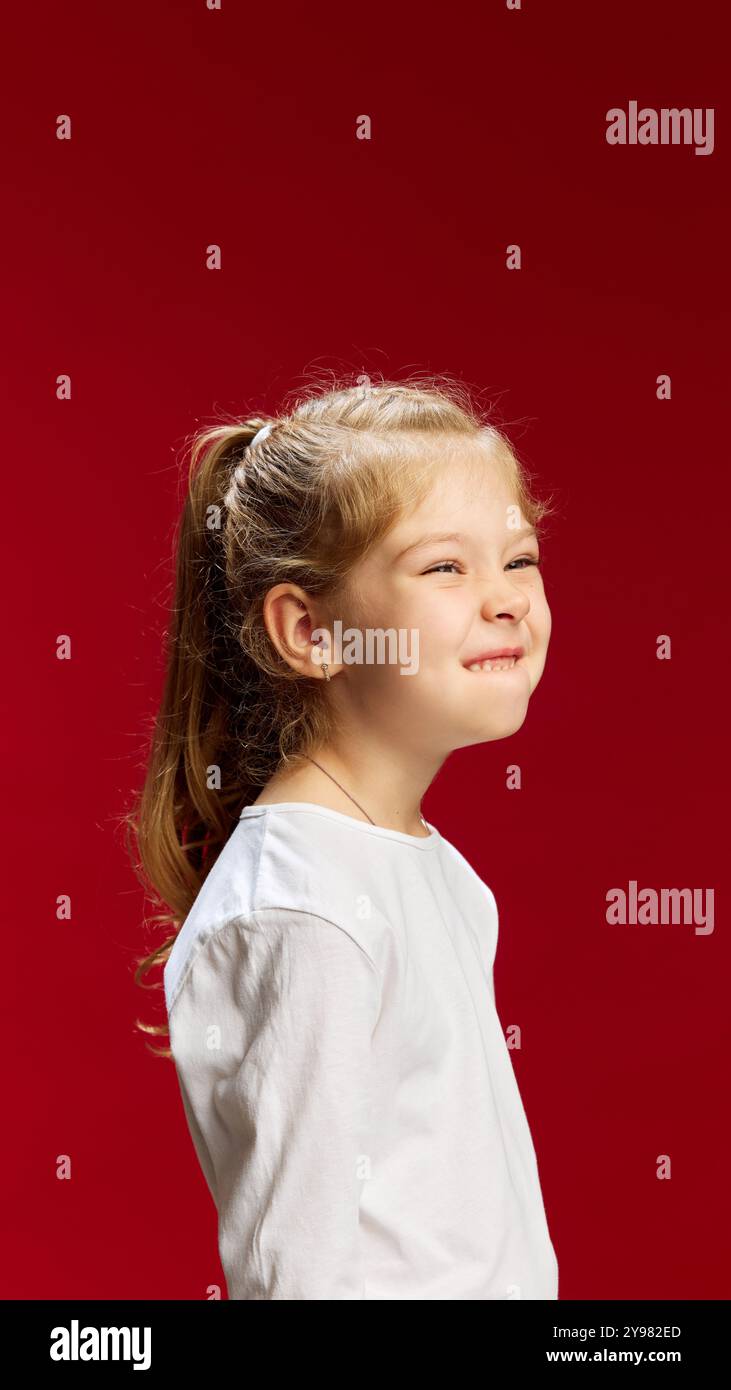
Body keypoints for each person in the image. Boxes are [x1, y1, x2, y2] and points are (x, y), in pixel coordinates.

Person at [126, 373, 560, 1300]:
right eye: (446, 567)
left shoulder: (433, 873)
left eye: (518, 559)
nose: (506, 599)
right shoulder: (305, 906)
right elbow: (296, 1275)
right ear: (310, 631)